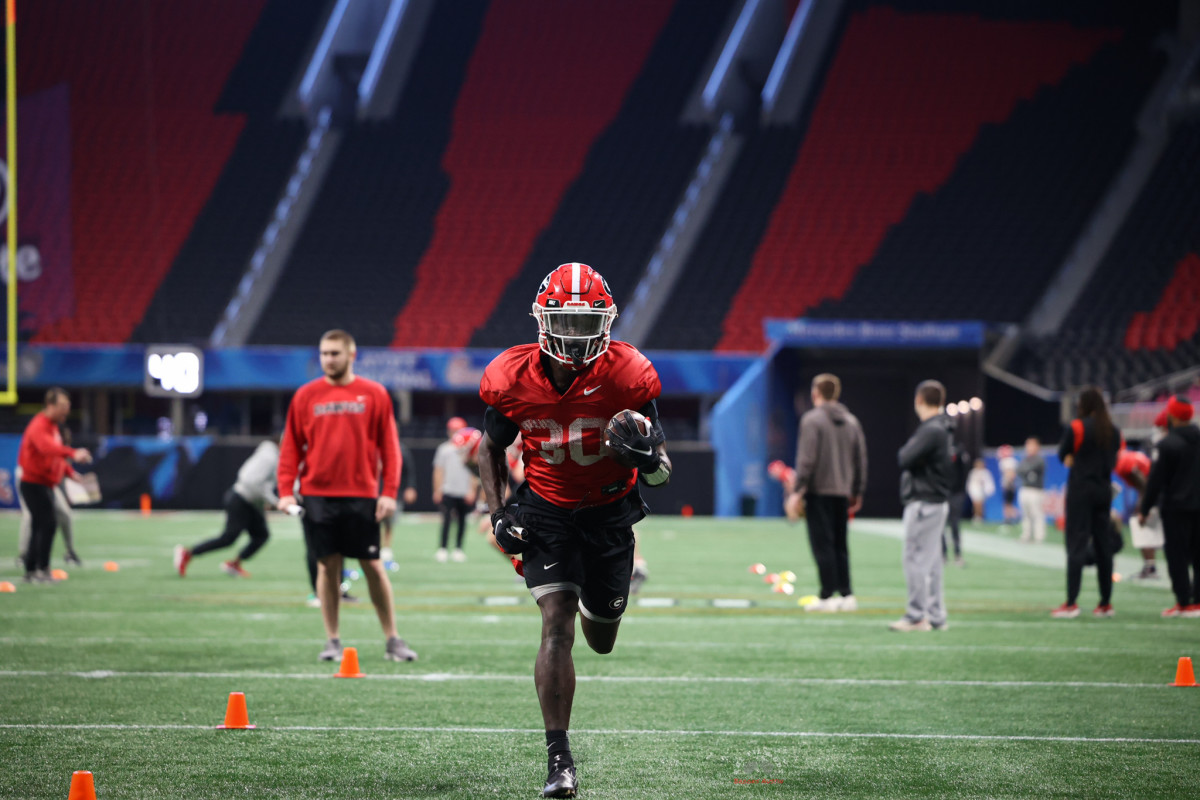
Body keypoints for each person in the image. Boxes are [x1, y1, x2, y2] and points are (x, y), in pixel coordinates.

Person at [477, 263, 671, 798]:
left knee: (601, 636)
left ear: (605, 324)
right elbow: (490, 448)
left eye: (588, 323)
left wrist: (646, 459)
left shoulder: (628, 375)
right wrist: (498, 514)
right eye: (567, 322)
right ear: (544, 320)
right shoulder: (511, 376)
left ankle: (599, 604)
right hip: (547, 508)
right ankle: (559, 758)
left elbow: (660, 466)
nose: (577, 335)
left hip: (610, 512)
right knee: (555, 623)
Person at [277, 329, 417, 663]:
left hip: (362, 495)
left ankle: (393, 639)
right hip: (316, 496)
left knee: (372, 565)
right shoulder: (305, 395)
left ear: (351, 355)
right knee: (327, 566)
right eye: (324, 353)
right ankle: (333, 640)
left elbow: (390, 449)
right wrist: (285, 492)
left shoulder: (374, 394)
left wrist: (389, 493)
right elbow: (291, 448)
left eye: (335, 353)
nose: (328, 359)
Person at [784, 373, 867, 612]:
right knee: (841, 545)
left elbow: (807, 460)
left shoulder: (812, 420)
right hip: (842, 492)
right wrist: (858, 491)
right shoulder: (852, 422)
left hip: (819, 491)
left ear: (816, 393)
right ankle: (847, 595)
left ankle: (827, 596)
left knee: (823, 545)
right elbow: (861, 460)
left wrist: (797, 491)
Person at [1052, 387, 1121, 619]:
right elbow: (1113, 462)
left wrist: (1076, 459)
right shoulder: (1113, 430)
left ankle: (1071, 602)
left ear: (1084, 405)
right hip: (1103, 491)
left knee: (1076, 545)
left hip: (1081, 491)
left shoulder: (1077, 427)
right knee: (1104, 546)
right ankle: (1105, 603)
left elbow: (1064, 456)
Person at [889, 380, 953, 632]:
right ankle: (936, 615)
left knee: (914, 559)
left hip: (925, 501)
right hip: (936, 500)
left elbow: (904, 457)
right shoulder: (945, 427)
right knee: (933, 562)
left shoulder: (931, 429)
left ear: (919, 400)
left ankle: (916, 616)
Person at [174, 437, 280, 578]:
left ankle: (234, 564)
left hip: (250, 501)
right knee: (228, 538)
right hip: (242, 499)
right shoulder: (269, 457)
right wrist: (273, 501)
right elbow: (251, 482)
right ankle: (187, 553)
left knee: (261, 535)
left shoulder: (269, 455)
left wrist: (266, 501)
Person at [17, 388, 92, 582]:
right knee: (47, 523)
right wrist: (73, 453)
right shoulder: (39, 425)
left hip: (43, 483)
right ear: (50, 405)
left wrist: (70, 473)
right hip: (33, 482)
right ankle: (40, 569)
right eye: (62, 406)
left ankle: (33, 570)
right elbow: (47, 448)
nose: (66, 411)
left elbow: (55, 456)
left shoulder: (52, 426)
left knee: (40, 524)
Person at [1138, 396, 1200, 617]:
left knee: (1177, 557)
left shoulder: (1167, 444)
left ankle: (1184, 603)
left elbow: (1155, 481)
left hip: (1176, 508)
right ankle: (1198, 601)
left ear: (1172, 415)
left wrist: (1144, 510)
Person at [433, 416, 476, 562]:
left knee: (463, 521)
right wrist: (438, 489)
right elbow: (438, 471)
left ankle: (458, 548)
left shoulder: (470, 449)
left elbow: (474, 471)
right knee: (445, 520)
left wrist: (472, 490)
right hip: (448, 489)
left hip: (464, 490)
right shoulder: (444, 449)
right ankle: (443, 548)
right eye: (452, 430)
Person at [1115, 446, 1158, 580]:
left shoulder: (1123, 462)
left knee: (1143, 526)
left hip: (1156, 494)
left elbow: (1144, 484)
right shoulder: (1127, 456)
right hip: (1158, 491)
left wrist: (1142, 506)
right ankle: (1150, 567)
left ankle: (1150, 567)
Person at [380, 439, 419, 568]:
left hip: (393, 492)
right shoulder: (373, 446)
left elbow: (409, 470)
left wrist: (410, 487)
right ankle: (375, 546)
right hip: (374, 491)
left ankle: (386, 548)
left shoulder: (401, 449)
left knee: (389, 522)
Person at [943, 440, 971, 566]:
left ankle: (957, 555)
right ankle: (942, 555)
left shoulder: (959, 452)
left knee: (954, 524)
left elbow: (964, 469)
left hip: (956, 494)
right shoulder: (939, 452)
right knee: (940, 526)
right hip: (943, 494)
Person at [1016, 438, 1047, 543]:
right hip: (1025, 488)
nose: (1029, 447)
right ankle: (1026, 535)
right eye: (1028, 445)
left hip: (1036, 490)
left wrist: (1025, 468)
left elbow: (1027, 469)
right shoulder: (1025, 459)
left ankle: (1039, 537)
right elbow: (1019, 470)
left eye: (1032, 445)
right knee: (1025, 514)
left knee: (1037, 514)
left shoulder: (1039, 459)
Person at [997, 445, 1019, 528]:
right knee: (1008, 503)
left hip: (1009, 485)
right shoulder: (1012, 461)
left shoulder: (1007, 462)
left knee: (1007, 503)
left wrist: (1008, 483)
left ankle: (1011, 518)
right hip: (1011, 485)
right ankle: (1009, 519)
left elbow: (1011, 474)